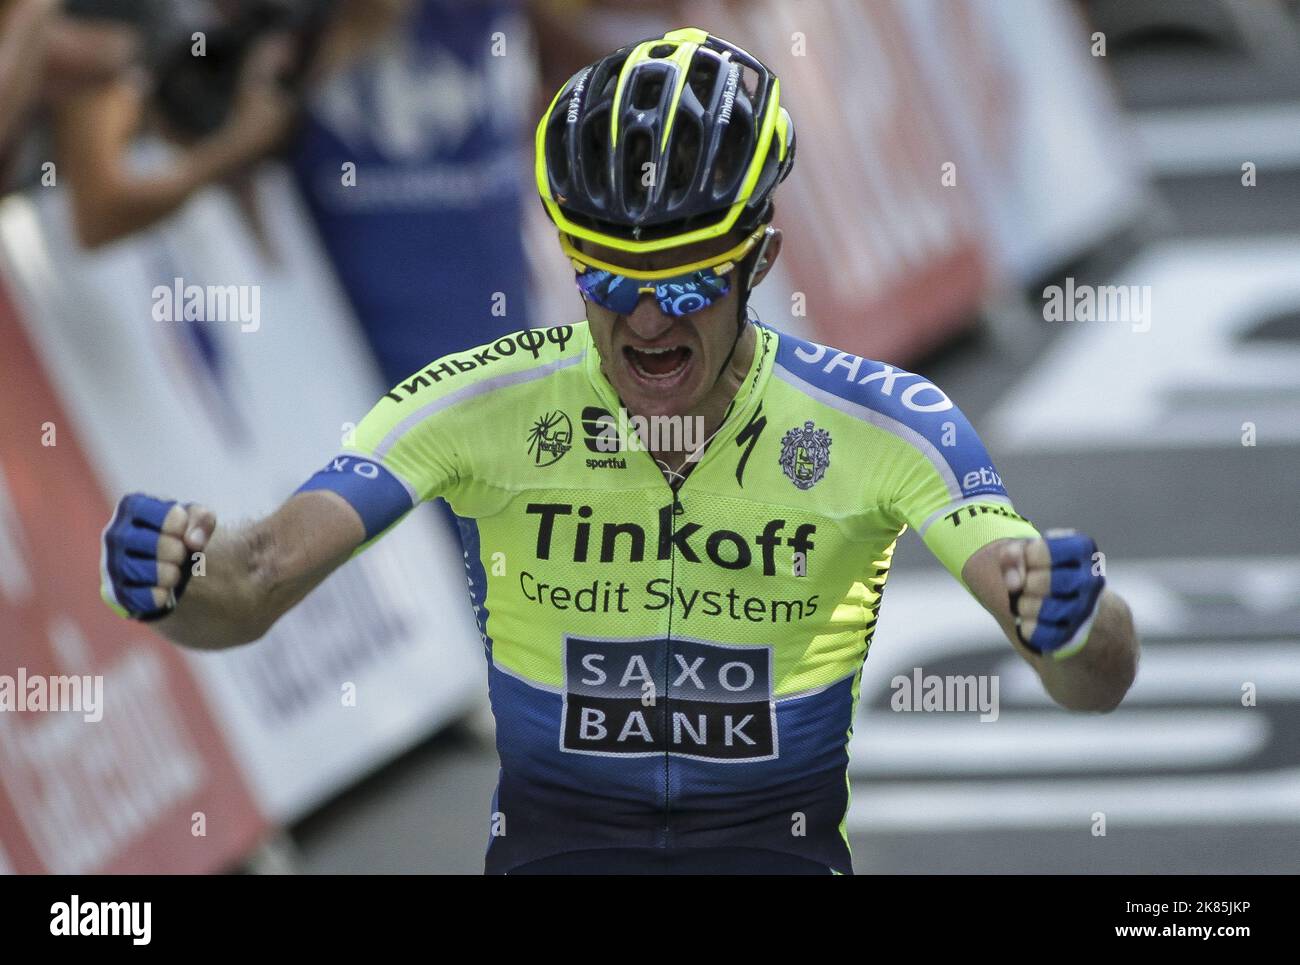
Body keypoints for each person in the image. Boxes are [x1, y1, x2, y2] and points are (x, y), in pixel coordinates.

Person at [100, 27, 1139, 875]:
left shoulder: (887, 423)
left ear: (761, 257)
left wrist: (1079, 627)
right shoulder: (477, 402)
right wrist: (176, 580)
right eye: (607, 280)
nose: (646, 321)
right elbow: (255, 580)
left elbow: (1092, 676)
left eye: (686, 282)